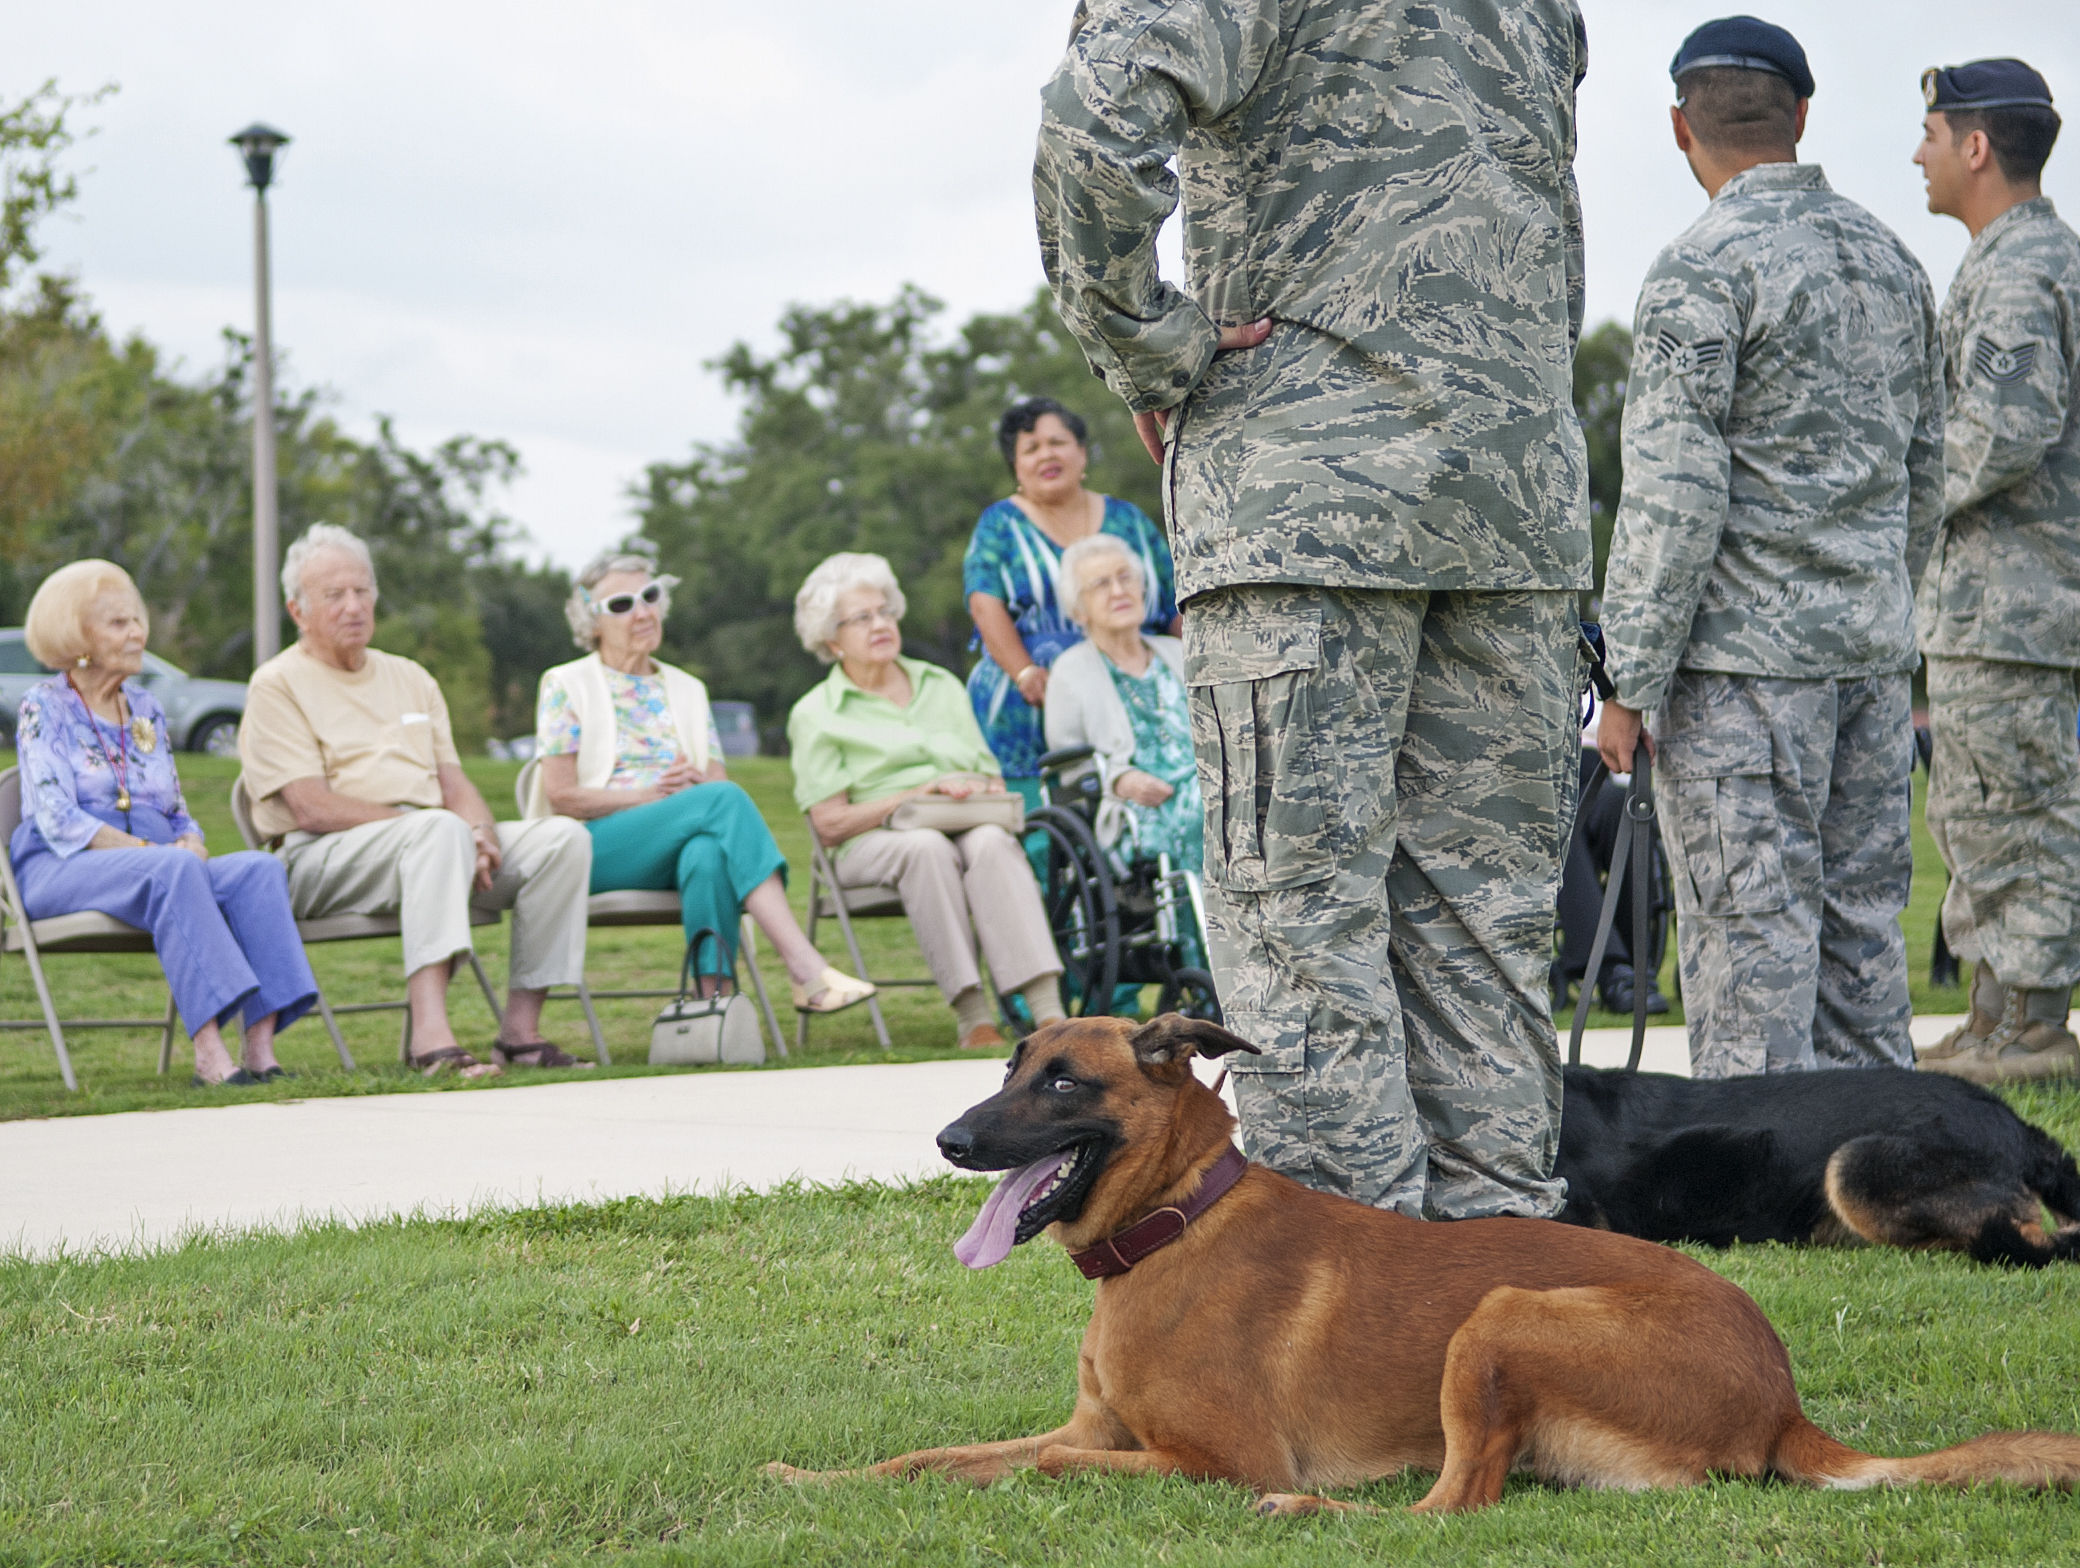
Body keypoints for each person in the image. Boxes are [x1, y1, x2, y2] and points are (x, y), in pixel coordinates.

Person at [1035, 1, 1593, 1218]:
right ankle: (1511, 1316)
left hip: (1305, 494)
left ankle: (1352, 1337)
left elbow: (1093, 118)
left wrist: (1153, 352)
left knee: (1301, 939)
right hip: (1512, 506)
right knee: (1485, 940)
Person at [1597, 19, 1945, 1081]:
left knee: (1749, 936)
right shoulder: (1892, 259)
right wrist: (1886, 602)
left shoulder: (1699, 269)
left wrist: (1627, 679)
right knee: (1859, 931)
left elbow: (1670, 494)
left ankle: (1764, 1181)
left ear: (1675, 128)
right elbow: (1925, 467)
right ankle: (1885, 1164)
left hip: (1743, 675)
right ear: (1799, 117)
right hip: (1871, 662)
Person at [240, 525, 594, 1079]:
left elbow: (454, 785)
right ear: (297, 609)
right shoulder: (276, 684)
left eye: (363, 591)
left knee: (561, 839)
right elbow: (312, 806)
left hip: (430, 844)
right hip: (318, 858)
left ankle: (520, 1034)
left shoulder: (411, 678)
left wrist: (479, 835)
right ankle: (431, 1042)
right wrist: (437, 829)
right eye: (335, 596)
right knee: (436, 831)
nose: (354, 606)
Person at [1911, 59, 2080, 1086]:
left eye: (1930, 132)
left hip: (2008, 605)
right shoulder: (2011, 259)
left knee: (2009, 806)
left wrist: (1899, 495)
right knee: (1977, 809)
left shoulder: (2021, 270)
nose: (1918, 153)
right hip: (1994, 602)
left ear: (1977, 146)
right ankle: (1994, 1013)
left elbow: (2004, 427)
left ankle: (2028, 1025)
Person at [9, 561, 318, 1086]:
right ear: (78, 636)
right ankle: (208, 1056)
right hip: (63, 864)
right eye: (118, 624)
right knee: (171, 871)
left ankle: (260, 1048)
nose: (138, 633)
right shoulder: (44, 706)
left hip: (156, 861)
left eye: (137, 620)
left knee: (256, 872)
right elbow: (57, 817)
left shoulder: (147, 708)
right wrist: (159, 852)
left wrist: (191, 839)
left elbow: (174, 806)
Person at [527, 547, 872, 1014]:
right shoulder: (564, 684)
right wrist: (646, 797)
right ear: (592, 622)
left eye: (649, 596)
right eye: (622, 604)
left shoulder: (689, 689)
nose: (643, 612)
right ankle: (803, 967)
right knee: (720, 804)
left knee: (708, 852)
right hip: (591, 849)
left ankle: (714, 1005)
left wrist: (690, 790)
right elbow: (560, 795)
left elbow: (715, 784)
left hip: (672, 842)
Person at [787, 552, 1065, 1051]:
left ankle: (1048, 1014)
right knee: (924, 847)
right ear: (831, 639)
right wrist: (913, 797)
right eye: (862, 618)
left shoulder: (941, 685)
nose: (881, 625)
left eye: (885, 612)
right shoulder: (815, 713)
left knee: (989, 842)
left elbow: (992, 779)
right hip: (869, 844)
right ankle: (973, 1017)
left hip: (963, 820)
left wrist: (971, 788)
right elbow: (829, 824)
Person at [963, 397, 1178, 806]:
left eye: (1057, 442)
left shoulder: (1128, 519)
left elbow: (1171, 600)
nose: (1047, 454)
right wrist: (1024, 672)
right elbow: (984, 605)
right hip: (1034, 688)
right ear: (1016, 467)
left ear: (1081, 452)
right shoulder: (999, 524)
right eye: (1031, 448)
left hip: (1135, 672)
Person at [1043, 532, 1200, 874]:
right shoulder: (1069, 672)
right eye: (1100, 584)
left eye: (1125, 577)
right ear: (1077, 609)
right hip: (1140, 809)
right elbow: (1069, 768)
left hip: (1209, 789)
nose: (1118, 591)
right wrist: (1119, 780)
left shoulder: (1177, 653)